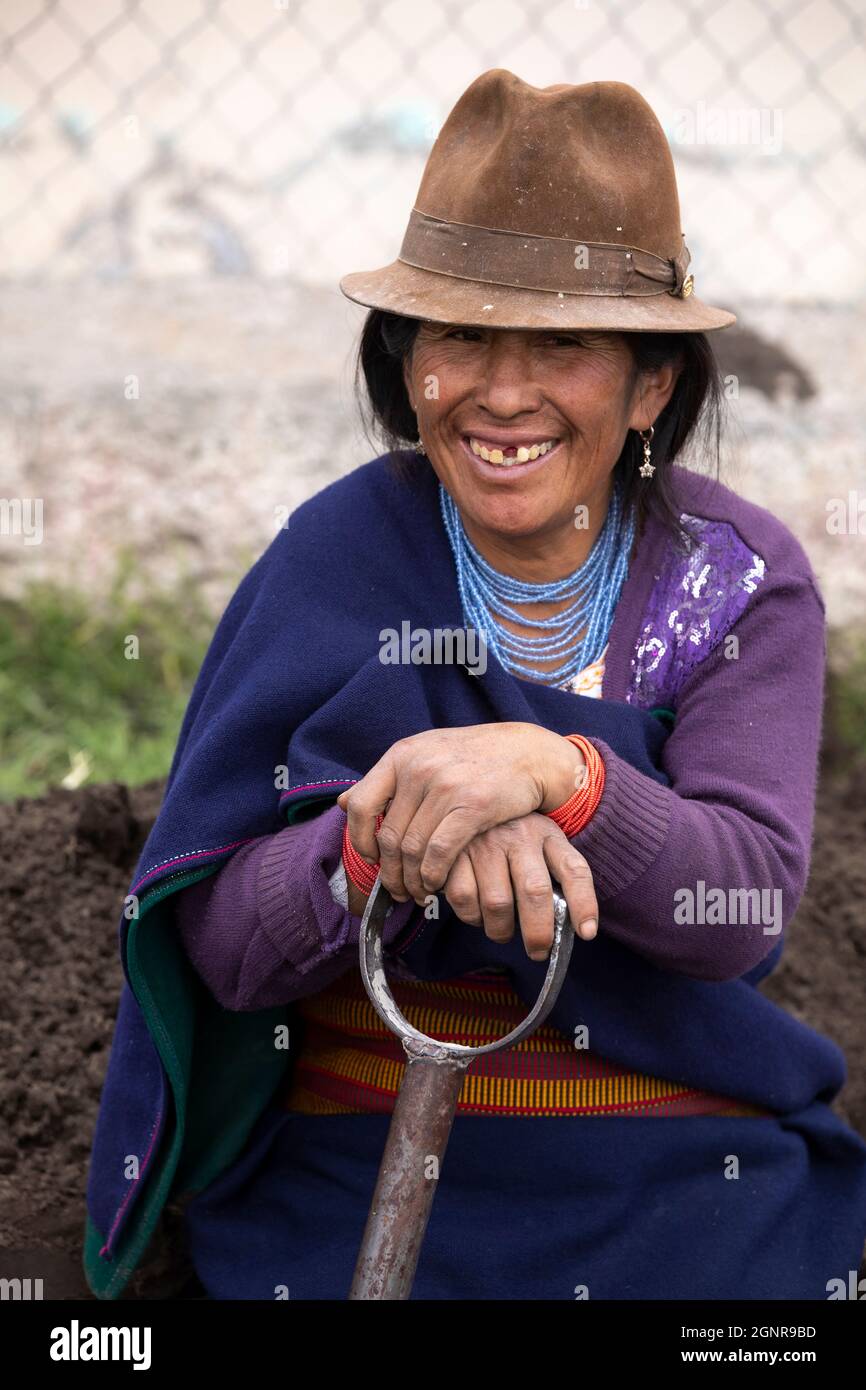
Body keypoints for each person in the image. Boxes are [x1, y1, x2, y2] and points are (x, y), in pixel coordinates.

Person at [84, 69, 866, 1302]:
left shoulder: (734, 581)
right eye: (459, 338)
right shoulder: (332, 560)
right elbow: (223, 948)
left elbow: (742, 906)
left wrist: (557, 777)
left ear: (650, 381)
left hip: (671, 1188)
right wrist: (392, 838)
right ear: (407, 367)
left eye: (562, 343)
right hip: (350, 1185)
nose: (503, 394)